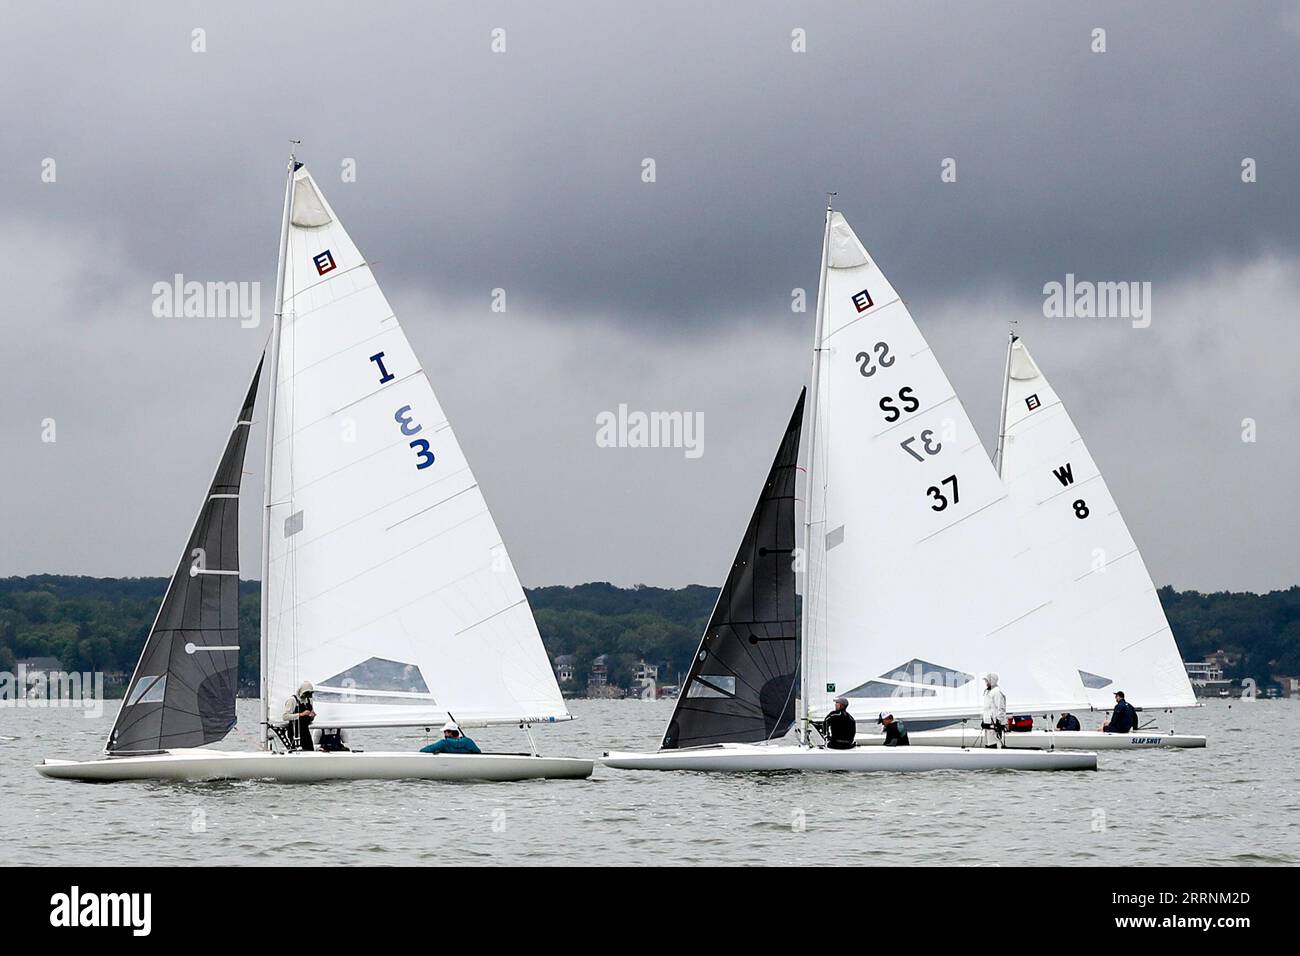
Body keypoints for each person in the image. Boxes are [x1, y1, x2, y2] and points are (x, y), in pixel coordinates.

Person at [284, 681, 316, 751]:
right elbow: (285, 716)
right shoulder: (292, 700)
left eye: (310, 694)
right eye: (306, 694)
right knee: (298, 751)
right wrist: (301, 714)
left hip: (305, 730)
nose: (308, 696)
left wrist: (312, 716)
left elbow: (311, 713)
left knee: (310, 750)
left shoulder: (309, 700)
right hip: (295, 731)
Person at [980, 673, 1006, 748]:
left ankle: (998, 757)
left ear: (992, 681)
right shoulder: (988, 692)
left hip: (994, 724)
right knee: (988, 744)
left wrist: (999, 721)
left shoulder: (997, 692)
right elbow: (987, 709)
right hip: (988, 723)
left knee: (994, 743)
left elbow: (1001, 708)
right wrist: (984, 720)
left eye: (987, 681)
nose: (986, 683)